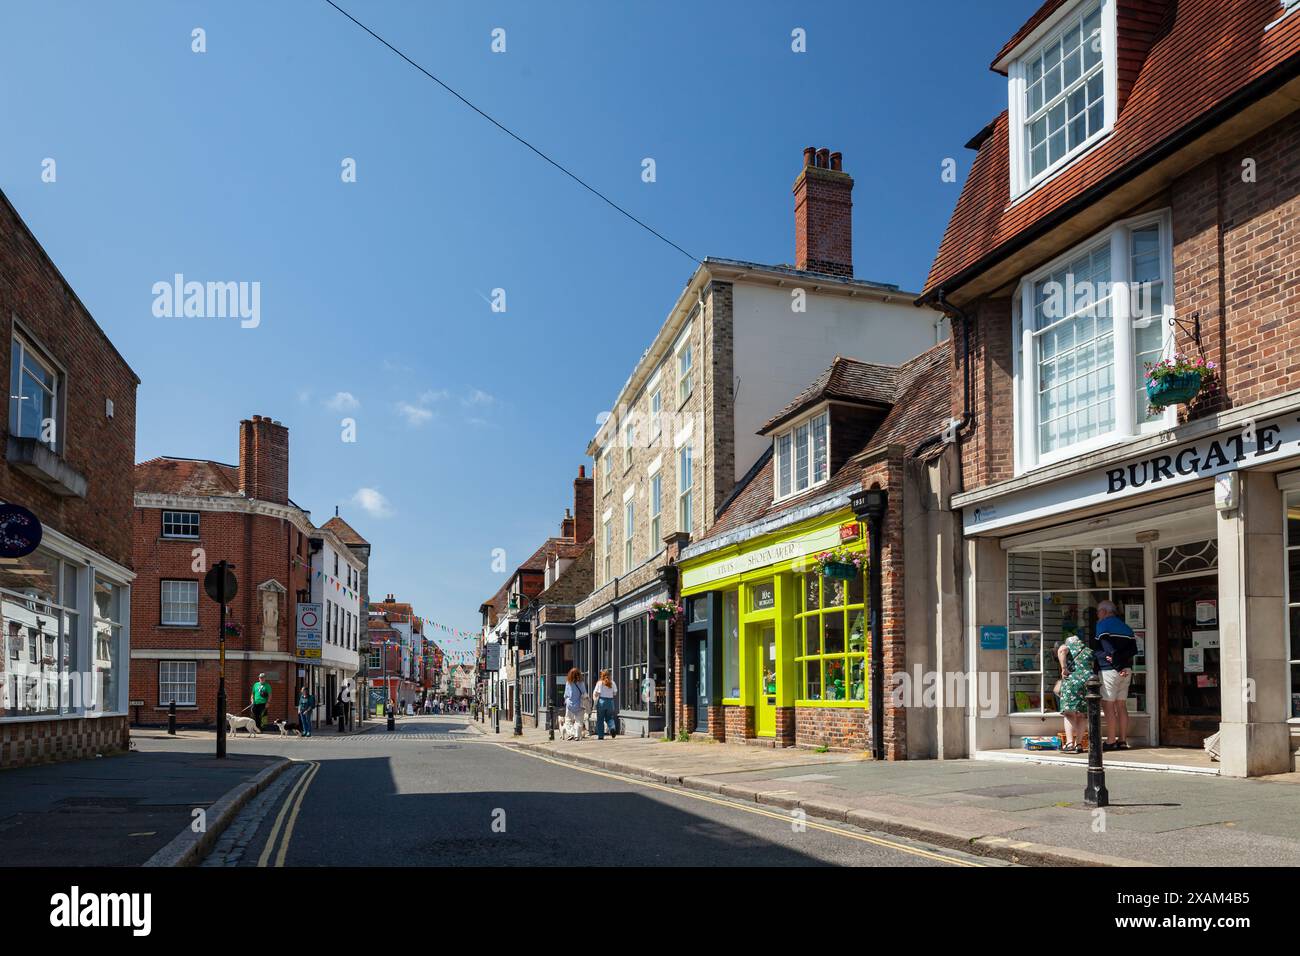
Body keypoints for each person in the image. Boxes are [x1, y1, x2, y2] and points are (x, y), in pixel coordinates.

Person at [1095, 599, 1138, 750]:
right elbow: (1133, 650)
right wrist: (1122, 664)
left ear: (1105, 611)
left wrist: (1116, 663)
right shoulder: (1126, 627)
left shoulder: (1102, 624)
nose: (1097, 614)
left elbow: (1108, 648)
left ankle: (1111, 741)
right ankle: (1123, 740)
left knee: (1108, 705)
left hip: (1110, 670)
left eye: (1098, 611)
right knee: (1121, 705)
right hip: (1126, 670)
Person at [1055, 632, 1093, 753]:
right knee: (1082, 714)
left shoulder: (1068, 646)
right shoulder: (1088, 650)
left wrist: (1064, 668)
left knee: (1069, 713)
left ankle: (1070, 743)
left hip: (1072, 681)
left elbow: (1062, 650)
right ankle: (1079, 744)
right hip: (1088, 683)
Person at [592, 669, 618, 740]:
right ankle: (612, 728)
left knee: (600, 719)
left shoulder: (599, 683)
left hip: (601, 702)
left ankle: (601, 736)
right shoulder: (612, 682)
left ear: (602, 675)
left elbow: (596, 693)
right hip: (610, 702)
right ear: (609, 675)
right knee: (609, 718)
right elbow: (615, 693)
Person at [563, 668, 588, 741]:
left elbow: (566, 694)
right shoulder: (581, 683)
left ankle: (571, 733)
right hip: (580, 705)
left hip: (570, 705)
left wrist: (566, 700)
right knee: (579, 721)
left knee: (568, 720)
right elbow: (584, 693)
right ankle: (577, 735)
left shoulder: (568, 683)